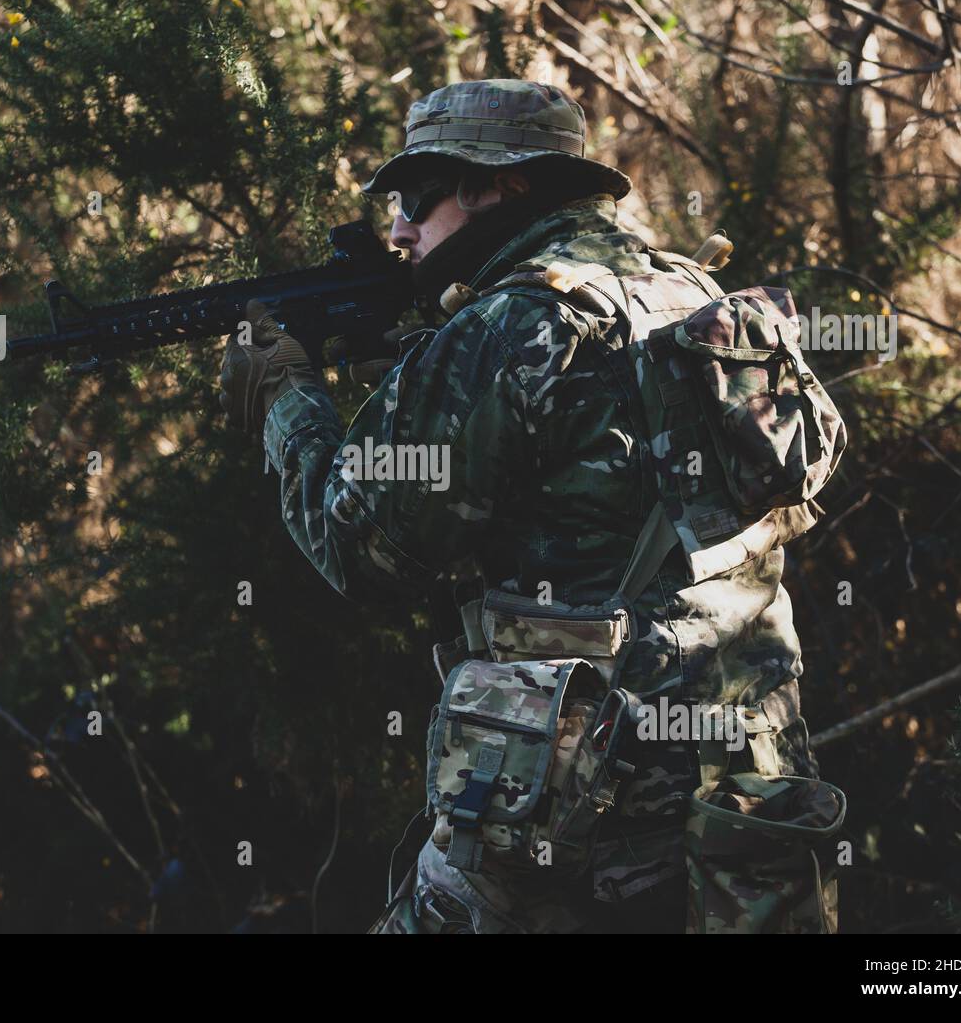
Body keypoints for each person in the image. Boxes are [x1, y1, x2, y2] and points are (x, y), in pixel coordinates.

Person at [219, 79, 824, 933]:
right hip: (751, 802)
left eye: (415, 198)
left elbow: (355, 544)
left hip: (578, 818)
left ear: (495, 186)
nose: (399, 229)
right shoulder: (697, 295)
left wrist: (284, 395)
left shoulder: (507, 327)